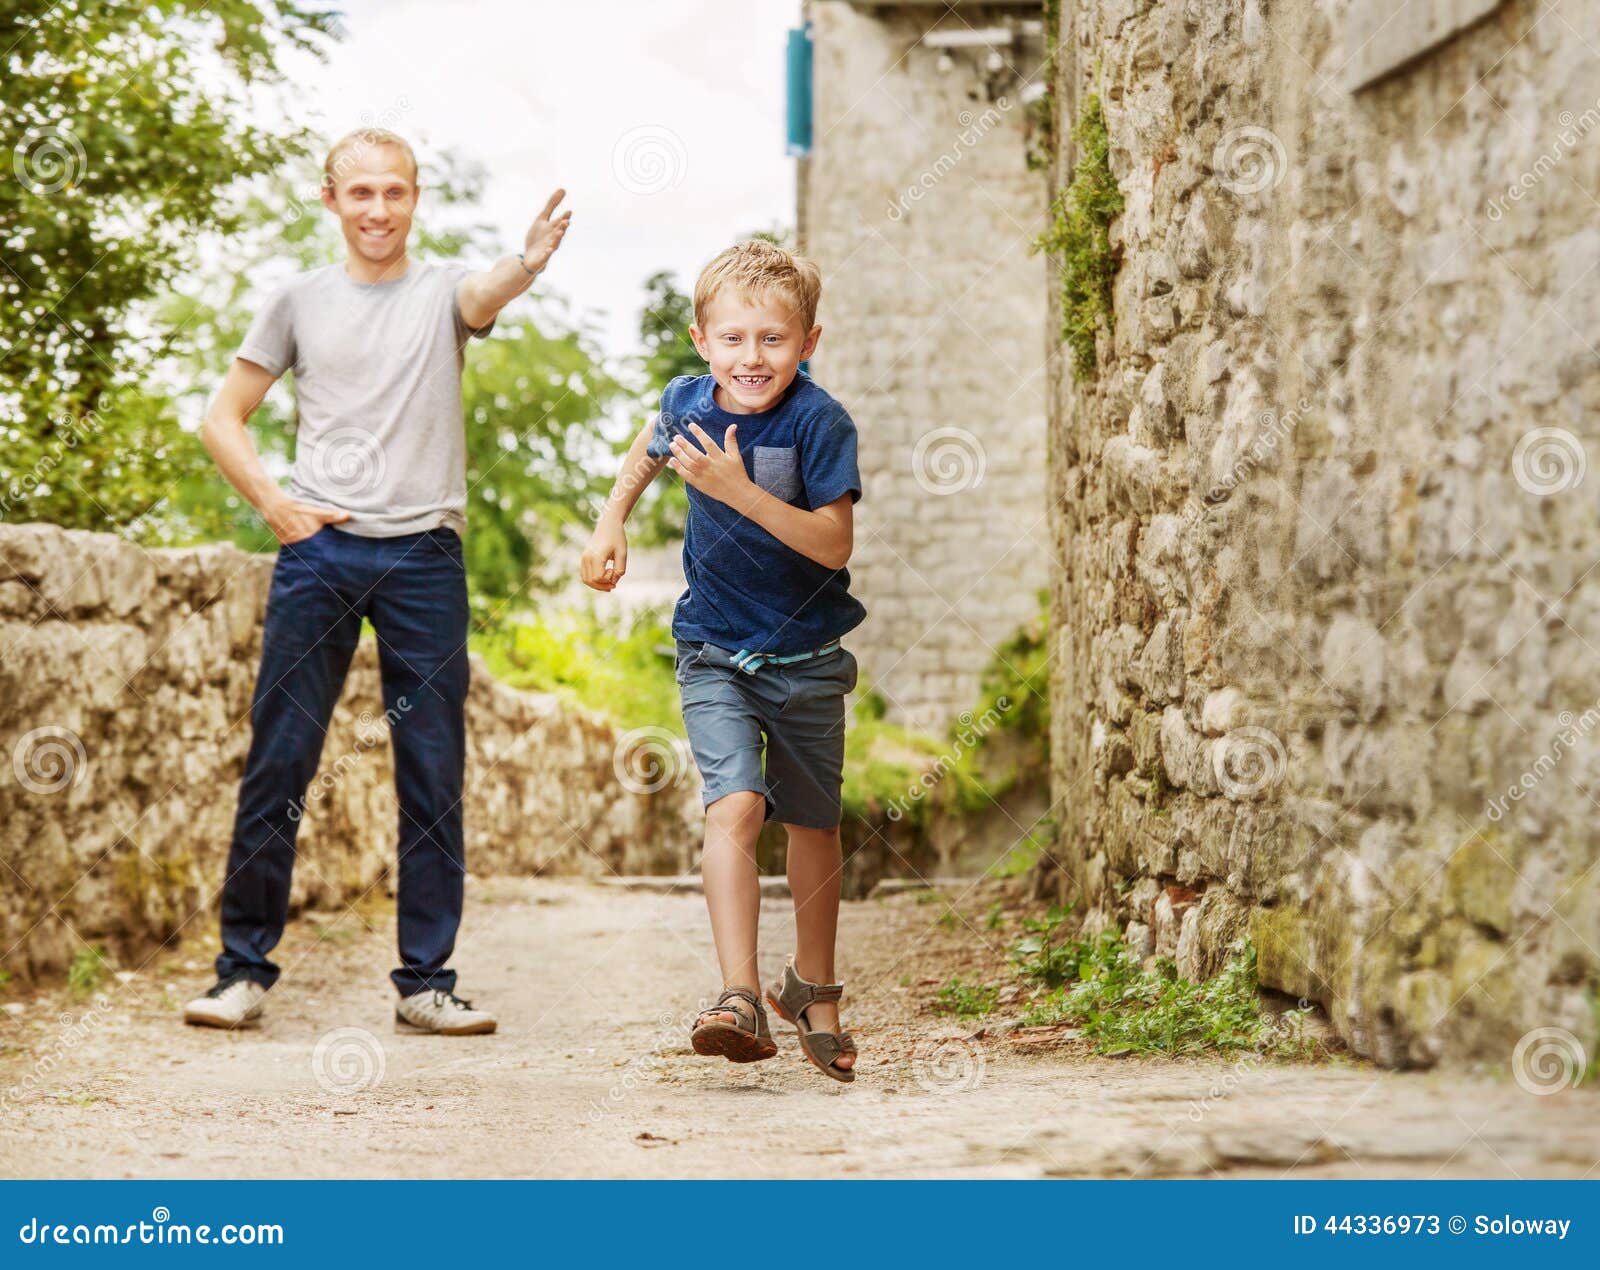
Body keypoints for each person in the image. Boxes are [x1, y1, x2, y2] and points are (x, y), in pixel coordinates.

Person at [183, 128, 570, 1036]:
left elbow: (483, 292)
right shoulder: (295, 300)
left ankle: (426, 985)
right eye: (361, 193)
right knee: (281, 758)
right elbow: (223, 418)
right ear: (331, 200)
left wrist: (528, 261)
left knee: (432, 771)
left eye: (394, 192)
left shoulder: (441, 294)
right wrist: (276, 506)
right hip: (320, 552)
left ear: (414, 198)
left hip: (424, 558)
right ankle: (242, 971)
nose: (378, 209)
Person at [581, 239, 864, 1081]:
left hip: (809, 657)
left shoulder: (820, 423)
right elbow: (649, 445)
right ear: (703, 341)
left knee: (813, 824)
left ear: (808, 342)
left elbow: (833, 543)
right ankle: (739, 995)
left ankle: (814, 987)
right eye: (733, 339)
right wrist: (612, 519)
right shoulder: (685, 399)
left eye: (773, 340)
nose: (752, 358)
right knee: (735, 804)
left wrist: (739, 492)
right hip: (713, 650)